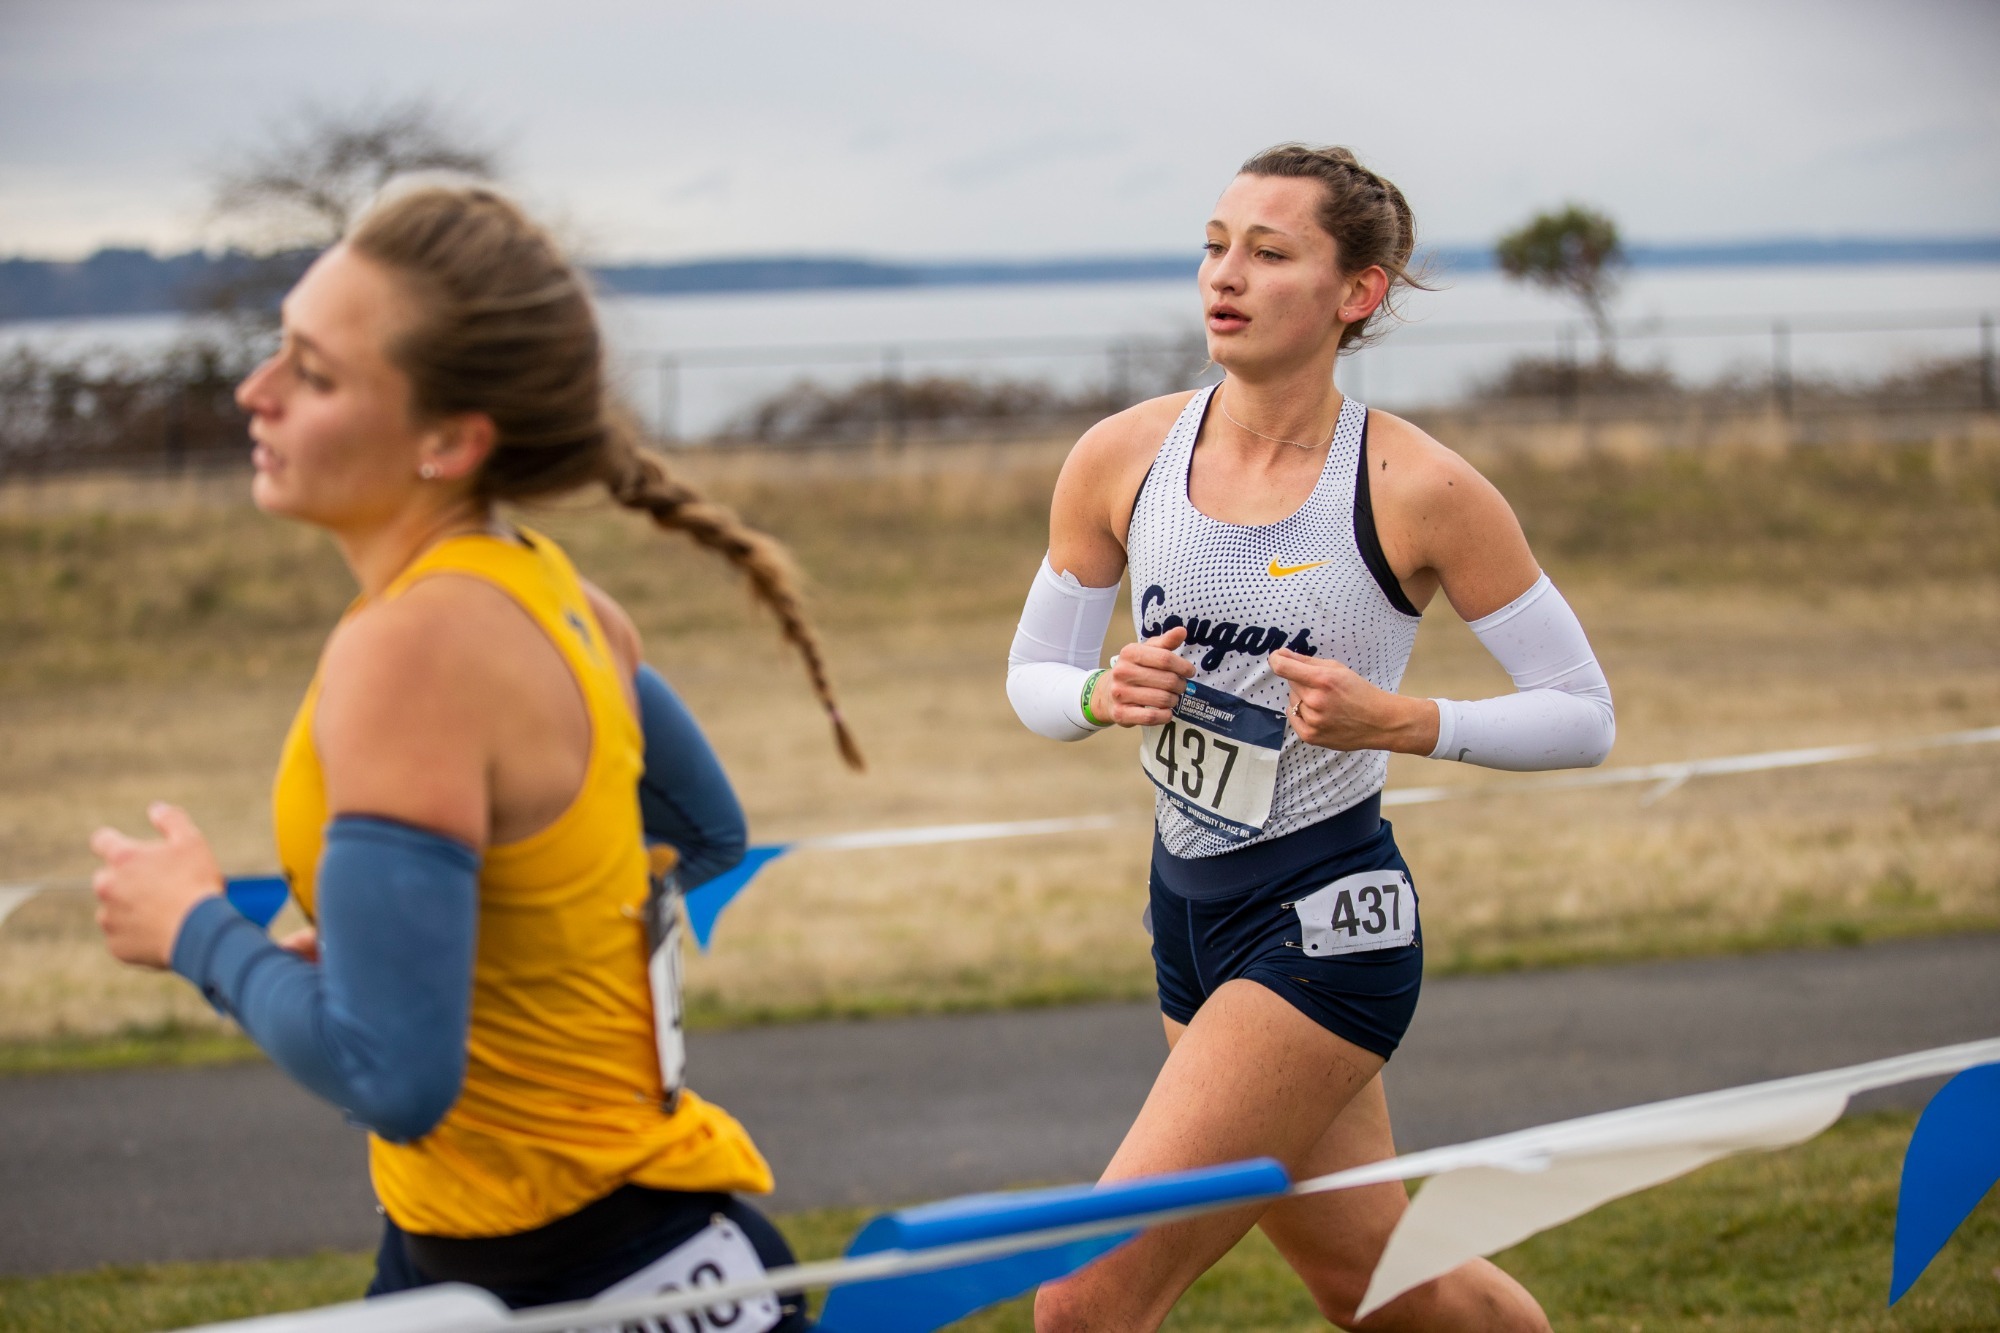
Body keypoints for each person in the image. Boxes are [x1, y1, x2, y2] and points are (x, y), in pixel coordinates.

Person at [88, 184, 861, 1327]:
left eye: (311, 371)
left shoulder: (414, 648)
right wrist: (434, 949)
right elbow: (705, 838)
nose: (253, 392)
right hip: (599, 1240)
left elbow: (390, 1077)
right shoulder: (556, 591)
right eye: (275, 352)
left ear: (449, 438)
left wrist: (196, 931)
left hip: (558, 1270)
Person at [1006, 144, 1615, 1331]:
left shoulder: (1416, 486)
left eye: (1268, 253)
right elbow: (1034, 673)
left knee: (1082, 1298)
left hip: (1324, 919)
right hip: (1183, 910)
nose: (1222, 276)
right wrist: (1099, 695)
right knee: (1375, 1284)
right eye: (1214, 243)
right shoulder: (1121, 456)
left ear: (1357, 292)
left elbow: (1581, 713)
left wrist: (1405, 721)